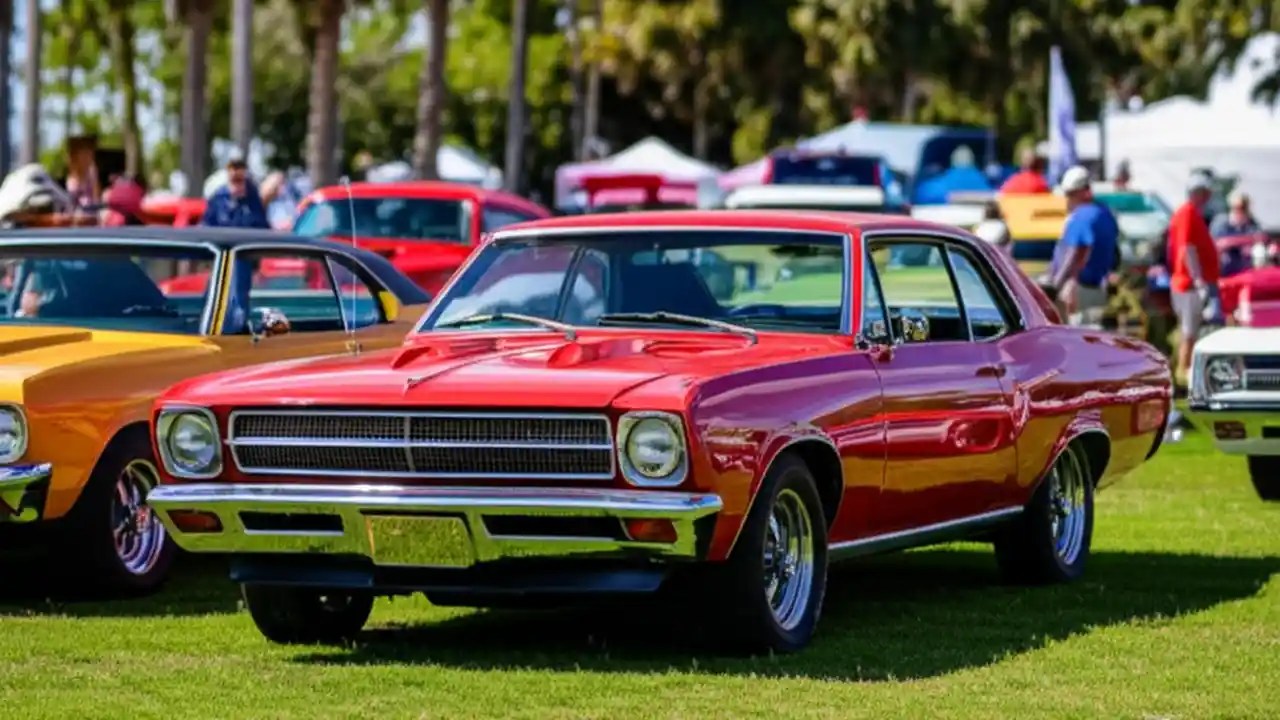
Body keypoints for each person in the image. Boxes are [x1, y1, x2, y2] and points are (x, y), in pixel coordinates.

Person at [1047, 166, 1119, 327]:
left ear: (1079, 193)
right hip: (1096, 288)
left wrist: (1056, 286)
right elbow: (1114, 252)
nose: (1066, 200)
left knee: (1073, 333)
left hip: (1077, 289)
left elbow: (1077, 252)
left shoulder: (1083, 215)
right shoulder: (1104, 213)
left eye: (1069, 195)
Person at [1167, 172, 1221, 384]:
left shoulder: (1189, 213)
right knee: (1189, 332)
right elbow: (1187, 248)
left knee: (1190, 330)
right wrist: (1198, 280)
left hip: (1189, 283)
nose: (1208, 197)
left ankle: (1184, 371)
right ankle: (1183, 373)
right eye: (1205, 192)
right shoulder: (1188, 213)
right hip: (1188, 284)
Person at [201, 157, 269, 229]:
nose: (236, 172)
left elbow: (262, 227)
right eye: (233, 168)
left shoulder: (254, 201)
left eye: (240, 167)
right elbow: (206, 226)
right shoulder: (218, 201)